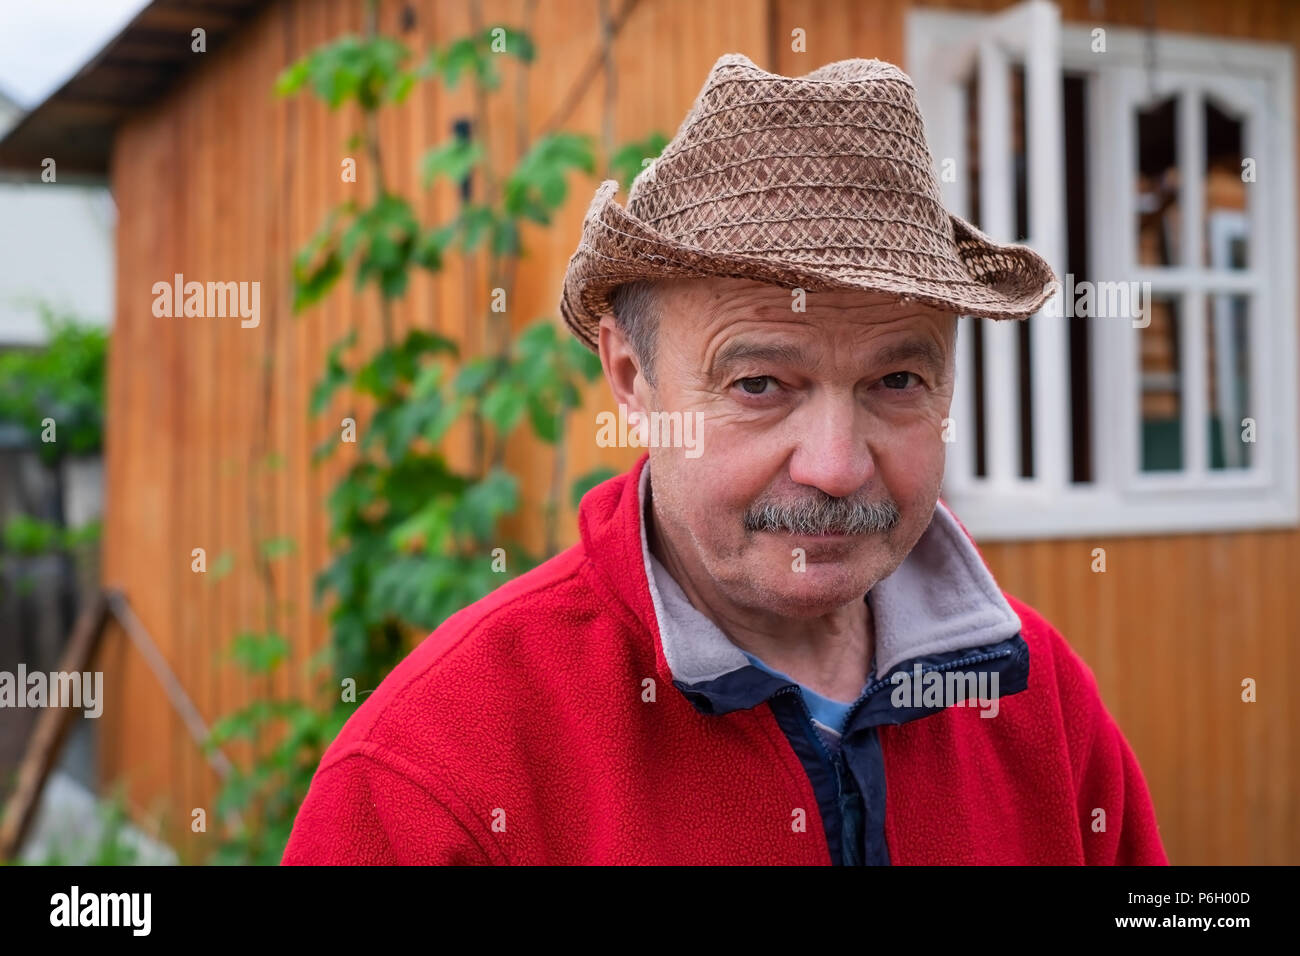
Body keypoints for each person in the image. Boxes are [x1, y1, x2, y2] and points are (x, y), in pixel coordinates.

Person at [282, 53, 1167, 865]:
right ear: (632, 380)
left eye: (896, 379)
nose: (835, 466)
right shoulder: (429, 777)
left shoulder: (1039, 699)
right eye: (760, 384)